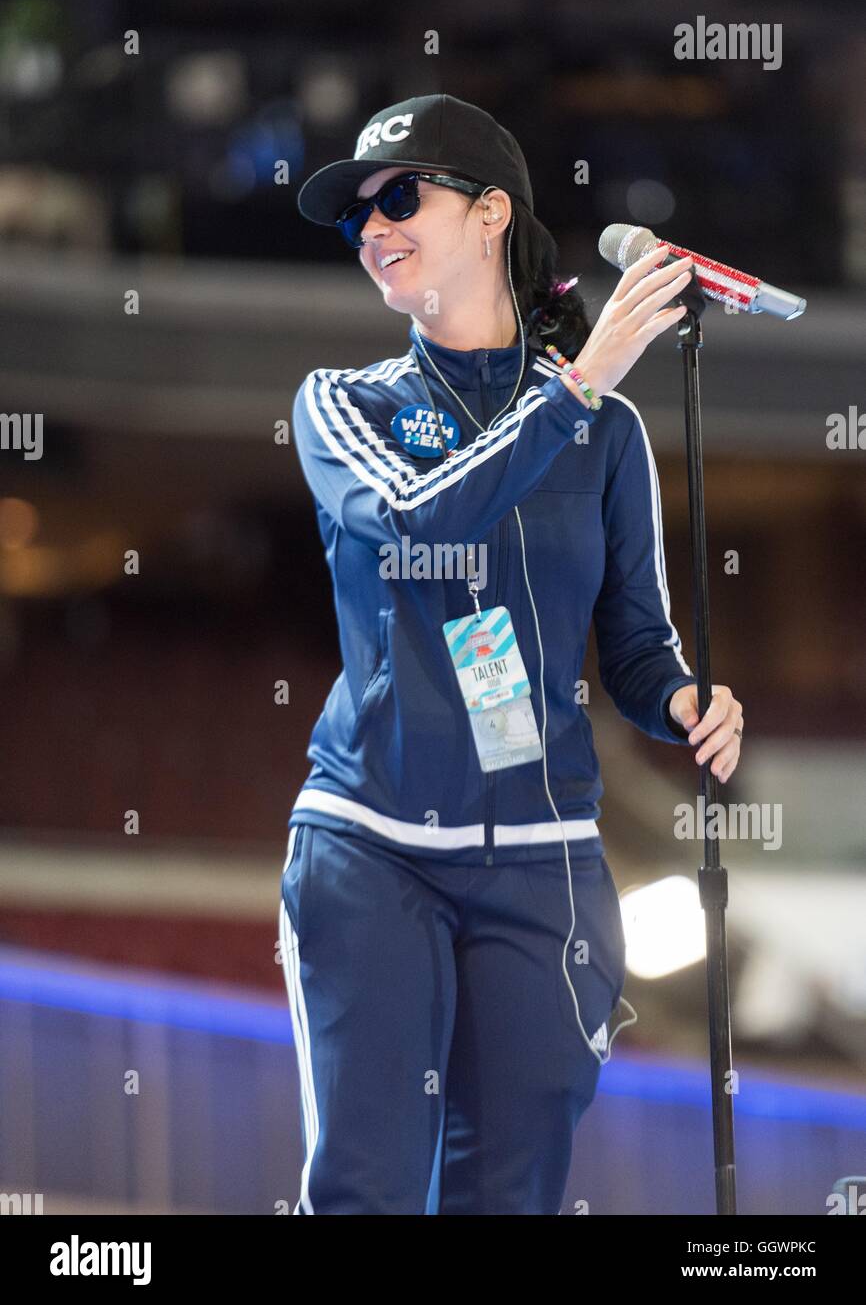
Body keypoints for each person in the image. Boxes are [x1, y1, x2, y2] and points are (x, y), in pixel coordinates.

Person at [280, 93, 743, 1215]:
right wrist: (575, 384)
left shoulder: (610, 433)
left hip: (545, 866)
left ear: (490, 215)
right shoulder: (344, 405)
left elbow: (634, 645)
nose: (372, 228)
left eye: (399, 198)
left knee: (512, 1198)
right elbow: (415, 526)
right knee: (369, 1191)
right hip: (371, 847)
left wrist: (683, 698)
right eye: (356, 217)